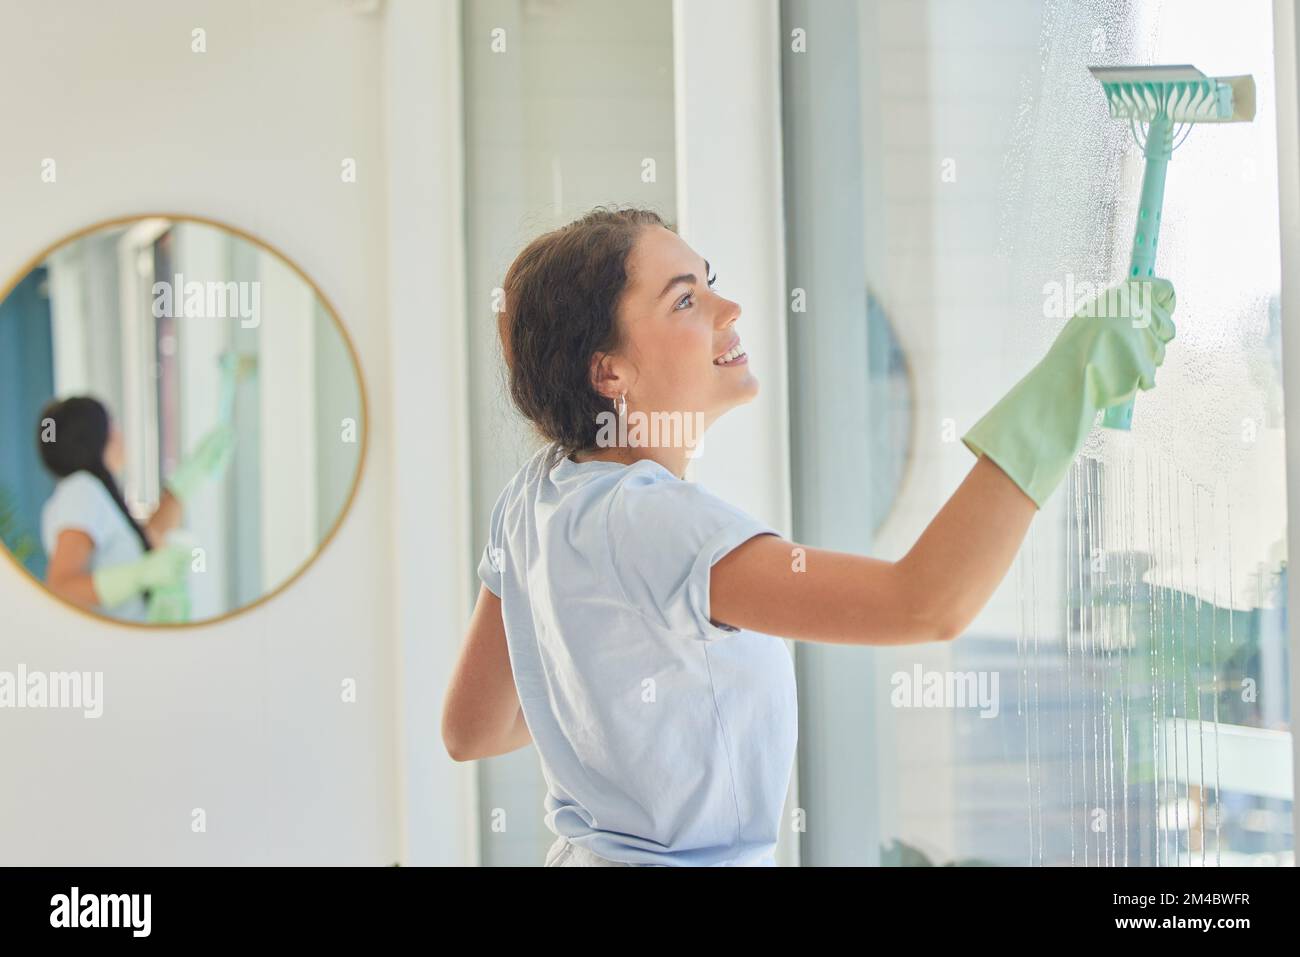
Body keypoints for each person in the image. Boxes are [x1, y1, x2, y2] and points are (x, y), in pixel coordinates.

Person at [441, 206, 1177, 866]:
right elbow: (924, 602)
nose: (729, 308)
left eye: (708, 283)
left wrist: (607, 697)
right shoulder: (652, 521)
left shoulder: (536, 497)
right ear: (609, 372)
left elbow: (473, 727)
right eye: (685, 299)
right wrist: (1063, 393)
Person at [37, 396, 233, 623]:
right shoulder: (81, 490)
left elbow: (149, 537)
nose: (120, 434)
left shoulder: (93, 493)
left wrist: (190, 477)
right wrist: (140, 575)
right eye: (112, 425)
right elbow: (61, 588)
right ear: (95, 438)